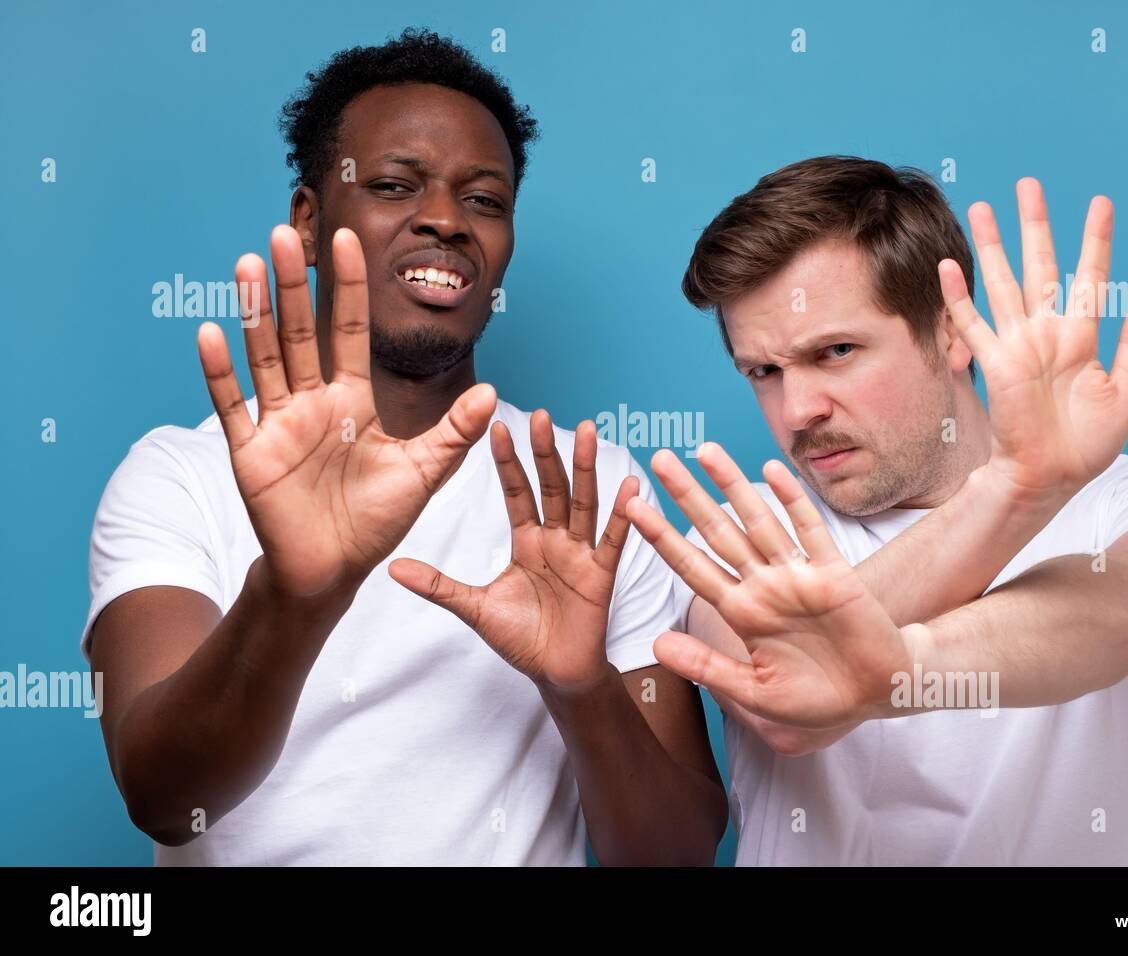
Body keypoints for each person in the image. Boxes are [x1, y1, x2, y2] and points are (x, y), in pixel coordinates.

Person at [81, 29, 727, 866]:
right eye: (392, 185)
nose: (445, 220)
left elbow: (672, 855)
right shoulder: (179, 476)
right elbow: (165, 799)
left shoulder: (589, 486)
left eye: (485, 200)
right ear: (308, 221)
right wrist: (299, 593)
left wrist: (580, 683)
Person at [626, 157, 1128, 865]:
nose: (797, 411)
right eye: (764, 372)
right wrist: (1012, 488)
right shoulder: (743, 534)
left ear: (954, 330)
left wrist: (900, 665)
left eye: (835, 351)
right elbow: (776, 690)